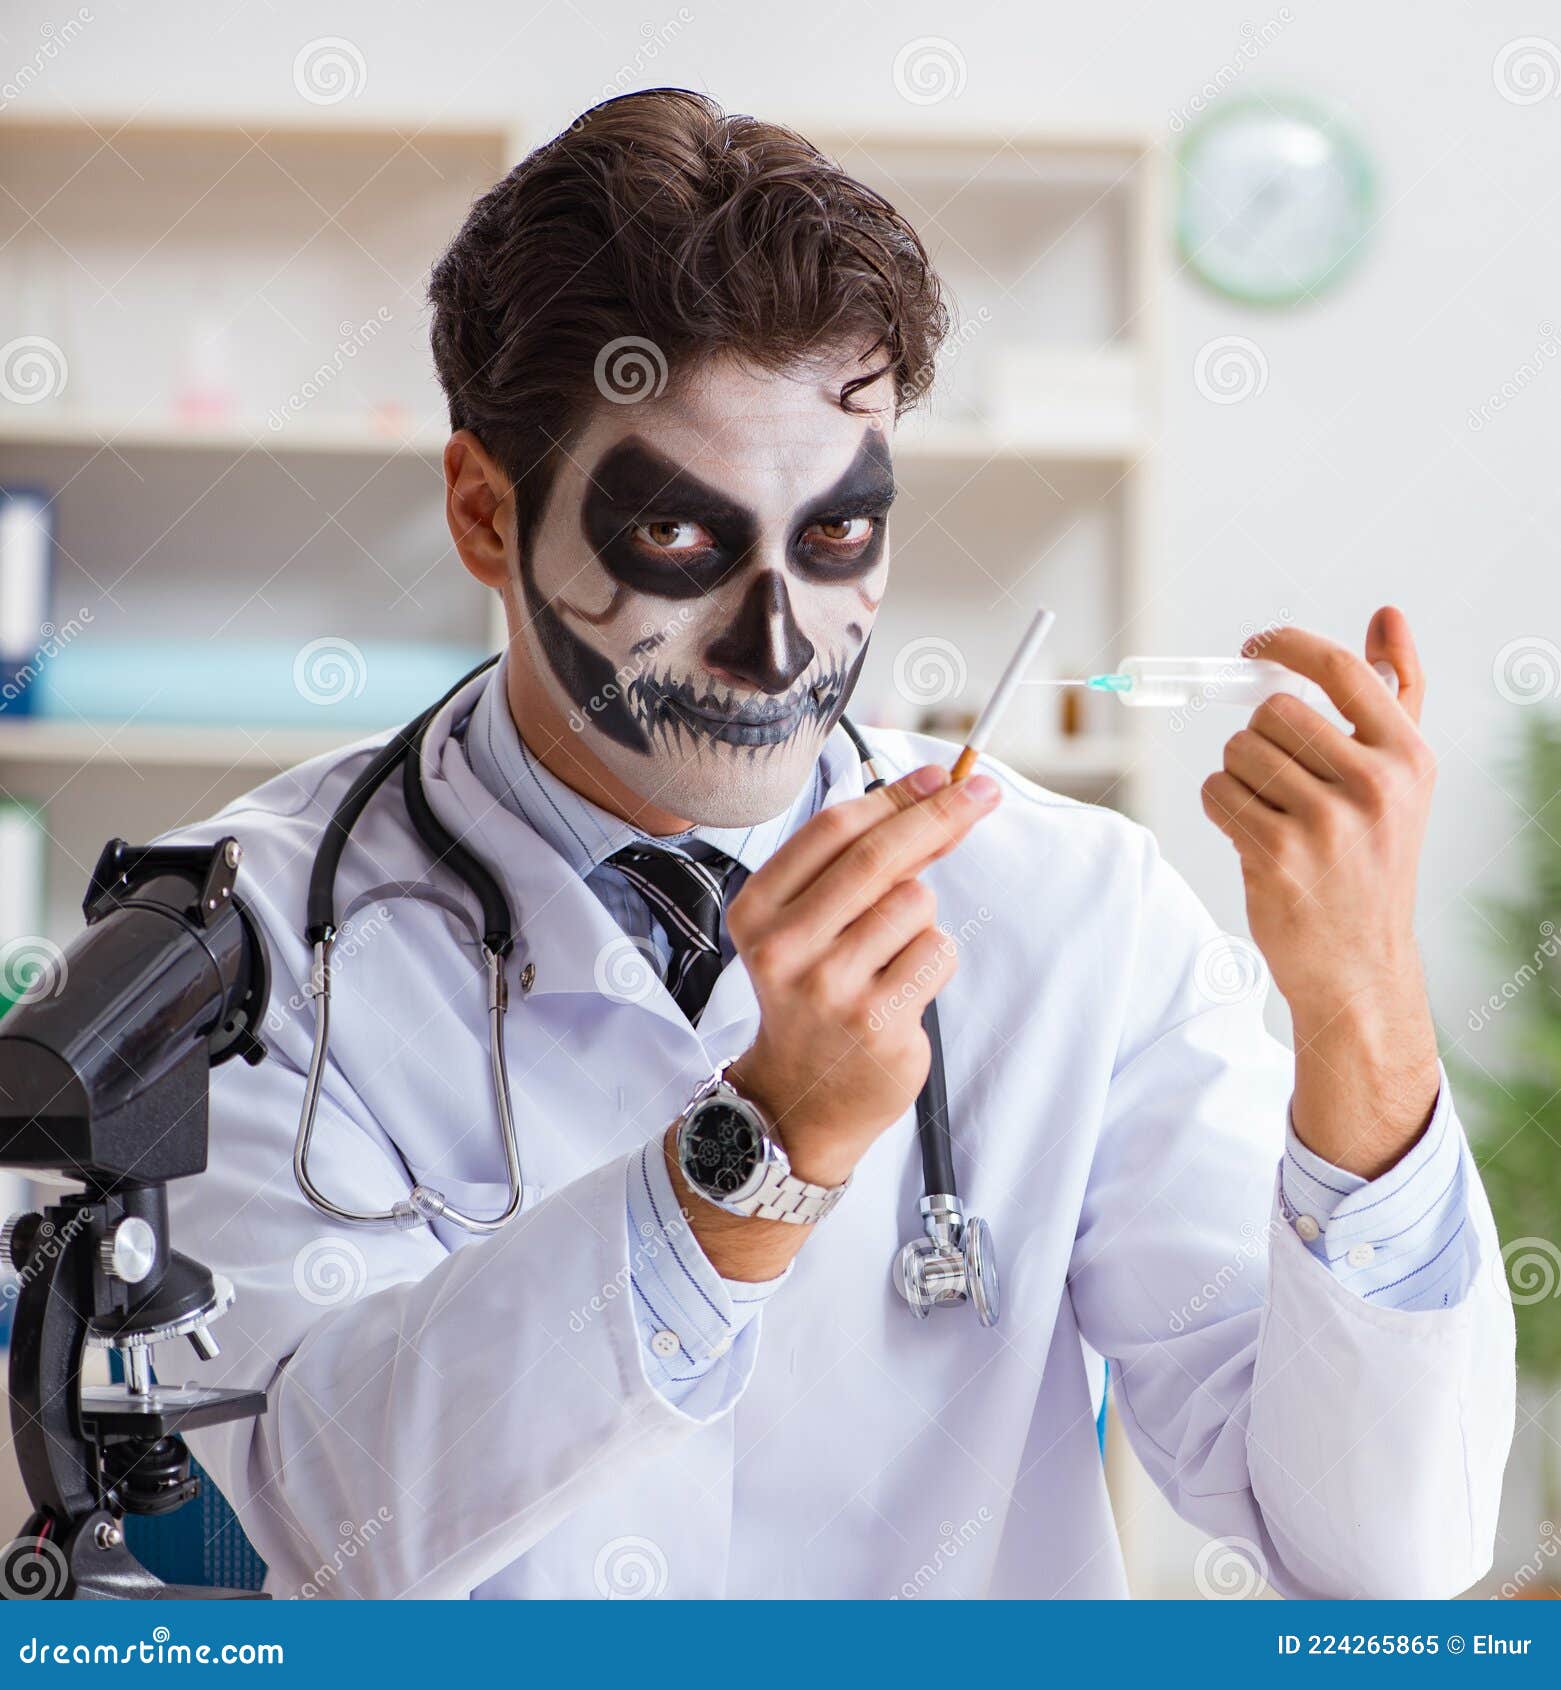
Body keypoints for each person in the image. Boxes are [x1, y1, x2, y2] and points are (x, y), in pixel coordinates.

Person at [166, 89, 1514, 1599]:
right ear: (485, 514)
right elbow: (270, 1533)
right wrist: (753, 1160)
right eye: (677, 538)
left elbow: (1383, 1557)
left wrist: (1365, 1014)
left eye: (834, 538)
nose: (778, 644)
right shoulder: (243, 941)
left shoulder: (1075, 910)